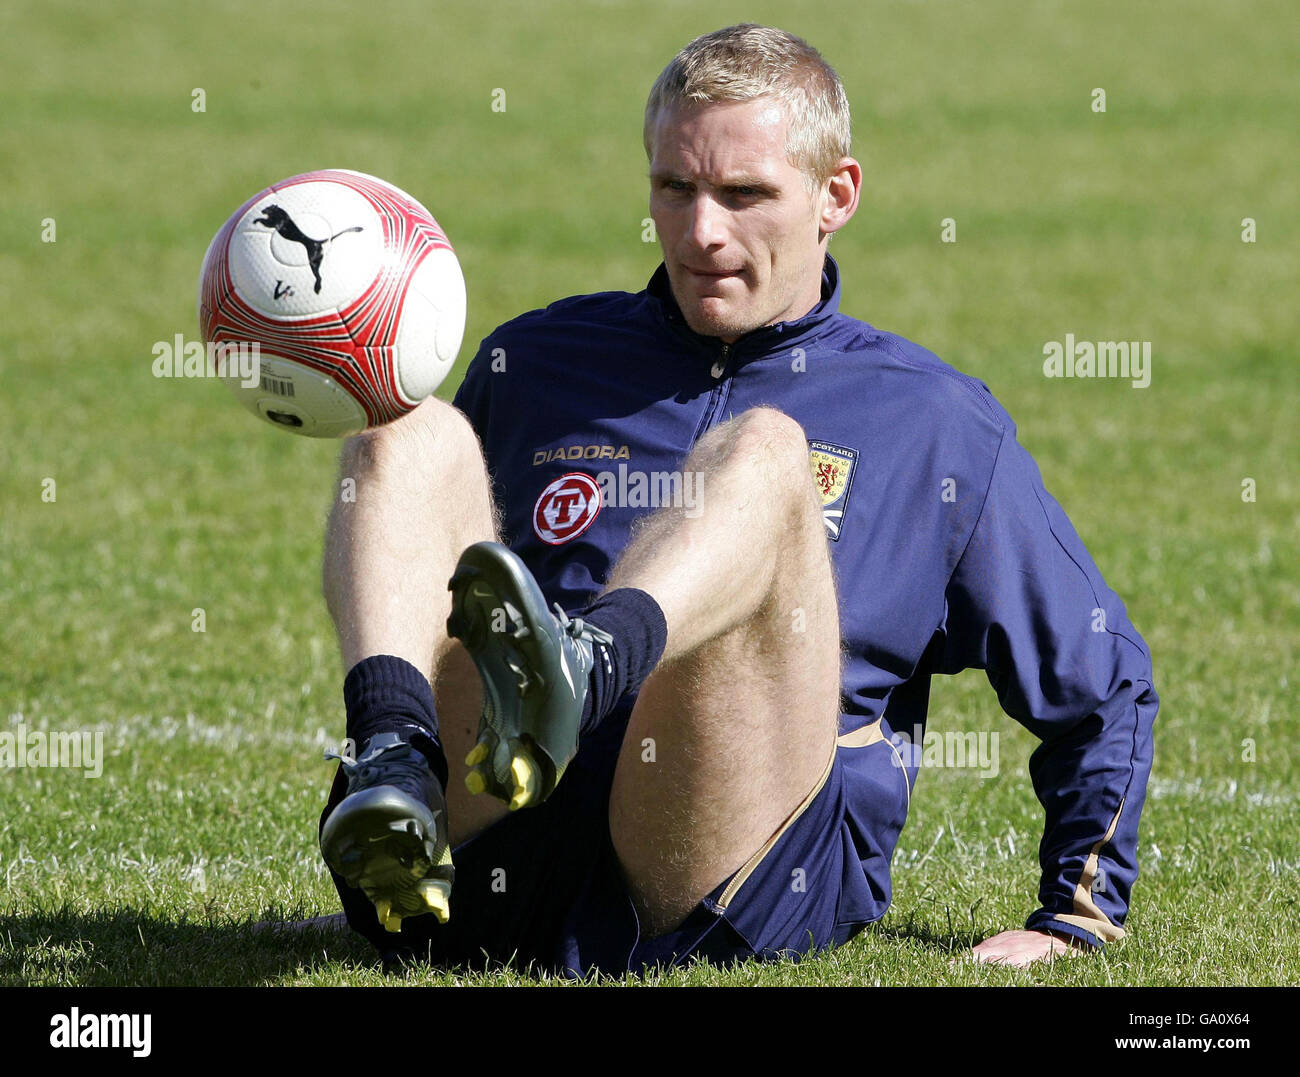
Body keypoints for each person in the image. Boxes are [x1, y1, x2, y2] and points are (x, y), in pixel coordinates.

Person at [316, 23, 1158, 977]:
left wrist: (1077, 912)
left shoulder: (935, 419)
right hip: (489, 845)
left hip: (721, 866)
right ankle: (392, 764)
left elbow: (1103, 683)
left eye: (745, 194)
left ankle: (587, 671)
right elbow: (428, 561)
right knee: (406, 425)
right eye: (674, 189)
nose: (702, 230)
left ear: (836, 195)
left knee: (764, 449)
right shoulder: (539, 358)